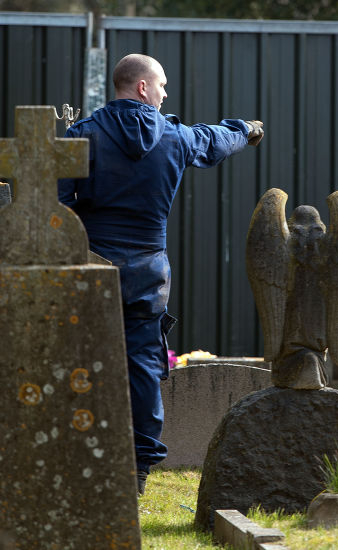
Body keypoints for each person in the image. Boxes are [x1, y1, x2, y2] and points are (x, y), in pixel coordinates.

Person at [58, 53, 264, 495]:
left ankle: (77, 454)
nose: (167, 93)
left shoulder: (82, 135)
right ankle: (138, 469)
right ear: (143, 88)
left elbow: (56, 206)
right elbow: (215, 139)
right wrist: (246, 130)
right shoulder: (175, 135)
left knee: (78, 358)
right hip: (149, 271)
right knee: (143, 366)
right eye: (163, 86)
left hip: (91, 265)